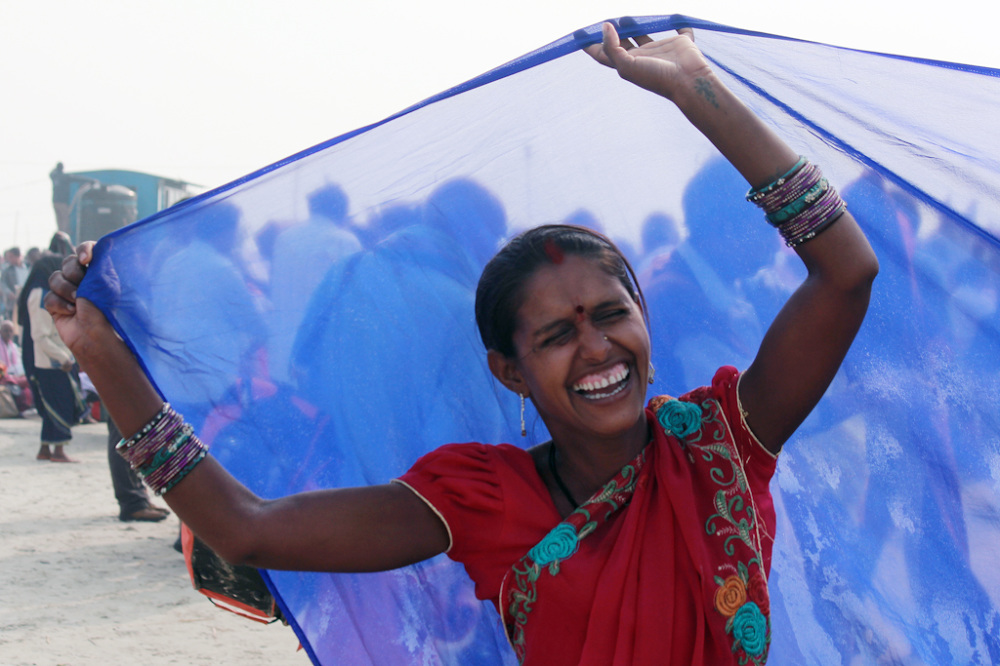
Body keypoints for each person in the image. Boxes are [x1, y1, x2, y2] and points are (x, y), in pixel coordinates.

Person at [45, 25, 878, 665]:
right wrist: (102, 357)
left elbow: (844, 274)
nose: (596, 348)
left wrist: (697, 89)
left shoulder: (723, 442)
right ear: (507, 371)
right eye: (556, 334)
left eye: (609, 314)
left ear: (644, 323)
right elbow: (248, 529)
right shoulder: (482, 496)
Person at [21, 252, 85, 462]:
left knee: (51, 406)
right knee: (60, 404)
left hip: (54, 358)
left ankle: (45, 449)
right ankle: (58, 450)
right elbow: (40, 334)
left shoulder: (43, 292)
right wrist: (63, 357)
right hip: (51, 362)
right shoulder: (40, 294)